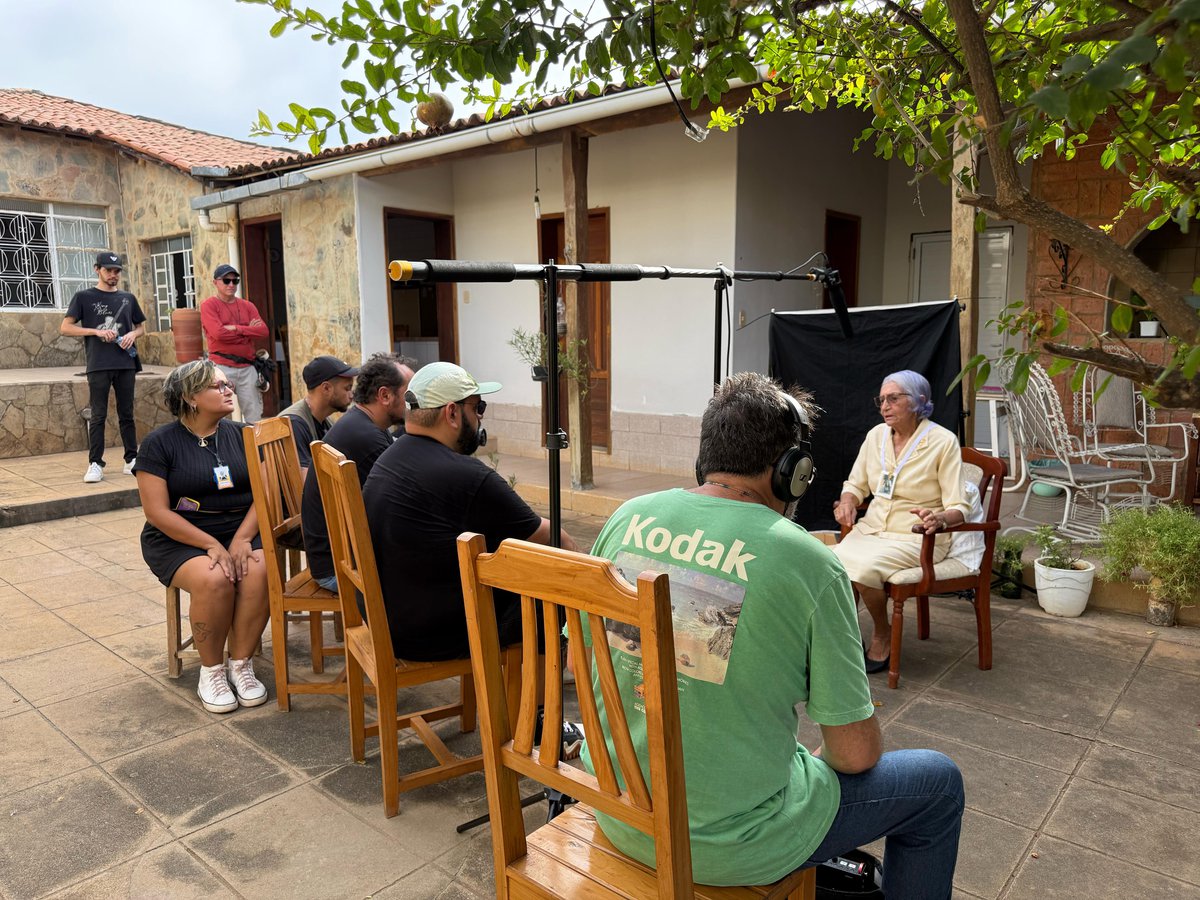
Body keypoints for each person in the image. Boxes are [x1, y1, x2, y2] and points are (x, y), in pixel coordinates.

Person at [578, 372, 963, 896]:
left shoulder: (626, 519)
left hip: (618, 812)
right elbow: (854, 755)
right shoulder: (809, 561)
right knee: (938, 784)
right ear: (793, 472)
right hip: (731, 847)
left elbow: (589, 661)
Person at [362, 361, 578, 660]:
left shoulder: (388, 458)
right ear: (451, 413)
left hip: (387, 620)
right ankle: (539, 696)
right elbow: (559, 541)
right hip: (432, 634)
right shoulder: (466, 476)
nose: (479, 417)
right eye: (478, 407)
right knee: (551, 582)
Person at [133, 359, 270, 714]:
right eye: (218, 386)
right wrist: (209, 544)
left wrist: (241, 539)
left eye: (227, 385)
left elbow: (265, 493)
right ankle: (211, 671)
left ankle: (241, 666)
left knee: (260, 569)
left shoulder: (244, 434)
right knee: (214, 579)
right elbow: (157, 512)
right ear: (191, 397)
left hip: (239, 528)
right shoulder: (159, 444)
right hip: (179, 536)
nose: (228, 391)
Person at [831, 370, 969, 674]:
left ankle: (882, 632)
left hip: (916, 537)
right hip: (872, 530)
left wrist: (940, 518)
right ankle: (840, 640)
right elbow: (855, 485)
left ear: (919, 401)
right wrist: (847, 503)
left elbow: (959, 507)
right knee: (830, 564)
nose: (885, 406)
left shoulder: (943, 442)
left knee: (864, 569)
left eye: (893, 398)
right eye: (881, 400)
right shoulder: (875, 436)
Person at [302, 353, 415, 591]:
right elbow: (398, 510)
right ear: (384, 395)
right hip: (339, 570)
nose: (414, 403)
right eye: (409, 395)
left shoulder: (365, 423)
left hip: (335, 559)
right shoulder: (367, 437)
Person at [60, 251, 145, 483]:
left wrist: (132, 335)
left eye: (117, 271)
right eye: (109, 270)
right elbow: (65, 327)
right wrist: (95, 331)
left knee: (126, 413)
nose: (113, 275)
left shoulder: (128, 298)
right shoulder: (83, 297)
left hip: (125, 362)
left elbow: (140, 327)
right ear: (97, 269)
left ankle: (131, 459)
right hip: (98, 363)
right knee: (98, 414)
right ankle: (95, 463)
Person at [200, 264, 268, 423]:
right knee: (216, 412)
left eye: (235, 280)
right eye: (226, 280)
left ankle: (253, 447)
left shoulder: (247, 306)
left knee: (254, 416)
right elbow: (218, 334)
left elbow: (264, 331)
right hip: (221, 368)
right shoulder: (209, 305)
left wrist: (236, 329)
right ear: (215, 282)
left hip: (247, 367)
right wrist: (248, 331)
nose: (231, 284)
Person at [280, 355, 359, 477]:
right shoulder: (295, 424)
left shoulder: (325, 421)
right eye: (347, 388)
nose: (351, 395)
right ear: (326, 388)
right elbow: (303, 483)